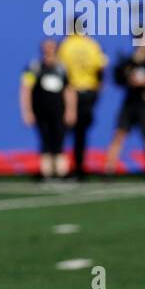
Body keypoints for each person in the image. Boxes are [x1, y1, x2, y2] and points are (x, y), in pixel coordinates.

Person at [103, 42, 145, 180]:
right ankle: (109, 169)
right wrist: (126, 75)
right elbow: (120, 79)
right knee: (119, 134)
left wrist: (143, 81)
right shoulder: (130, 59)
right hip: (130, 102)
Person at [58, 15, 107, 180]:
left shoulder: (66, 45)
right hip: (89, 93)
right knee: (81, 133)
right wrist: (98, 90)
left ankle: (63, 167)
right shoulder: (92, 44)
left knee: (64, 131)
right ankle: (79, 167)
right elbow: (100, 69)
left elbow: (61, 71)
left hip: (70, 93)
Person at [20, 39, 76, 180]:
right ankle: (46, 171)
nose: (49, 52)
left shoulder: (62, 69)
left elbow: (69, 90)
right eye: (46, 49)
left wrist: (71, 110)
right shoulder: (34, 67)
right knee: (44, 138)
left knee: (59, 138)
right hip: (41, 110)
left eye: (51, 48)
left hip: (59, 110)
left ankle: (60, 171)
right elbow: (26, 89)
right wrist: (27, 111)